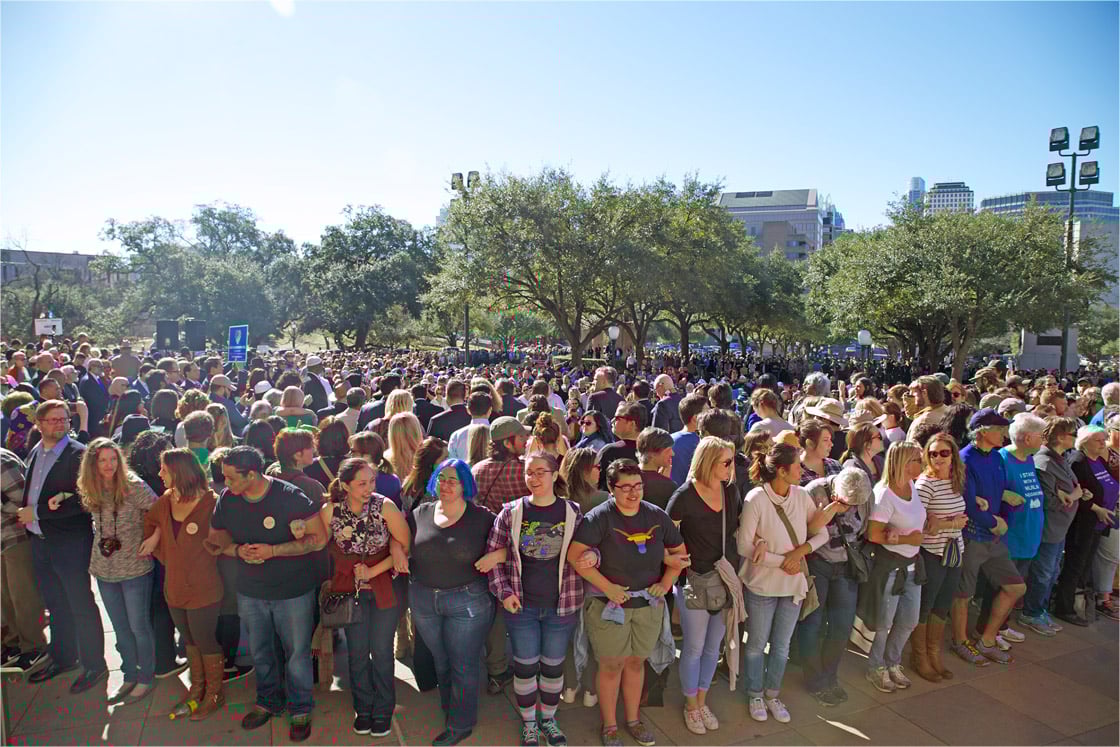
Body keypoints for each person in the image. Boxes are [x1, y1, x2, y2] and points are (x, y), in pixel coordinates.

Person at [204, 445, 327, 742]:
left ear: (252, 474)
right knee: (260, 651)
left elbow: (319, 539)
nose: (226, 484)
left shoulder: (291, 497)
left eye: (232, 478)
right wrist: (238, 550)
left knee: (296, 654)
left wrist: (274, 551)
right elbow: (214, 541)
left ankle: (300, 708)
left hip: (293, 591)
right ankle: (268, 701)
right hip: (250, 591)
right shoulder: (228, 500)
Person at [567, 459, 687, 747]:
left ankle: (633, 720)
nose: (633, 493)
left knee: (636, 664)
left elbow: (680, 555)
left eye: (638, 486)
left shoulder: (656, 515)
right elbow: (575, 555)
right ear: (611, 489)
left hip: (648, 606)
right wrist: (607, 588)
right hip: (609, 608)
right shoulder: (599, 518)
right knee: (610, 666)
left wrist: (665, 582)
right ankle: (609, 726)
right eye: (625, 488)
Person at [486, 452, 586, 747]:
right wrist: (504, 593)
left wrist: (593, 555)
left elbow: (588, 550)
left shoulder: (572, 512)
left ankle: (549, 719)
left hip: (561, 606)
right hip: (522, 606)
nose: (534, 478)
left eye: (541, 472)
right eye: (530, 473)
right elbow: (493, 559)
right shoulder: (511, 512)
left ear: (555, 475)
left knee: (553, 667)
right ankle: (530, 722)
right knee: (526, 666)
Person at [406, 459, 504, 746]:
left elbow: (514, 547)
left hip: (468, 602)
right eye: (442, 478)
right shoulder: (420, 512)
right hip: (424, 599)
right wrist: (398, 551)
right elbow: (401, 540)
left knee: (462, 663)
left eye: (453, 480)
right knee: (442, 659)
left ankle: (461, 724)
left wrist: (495, 557)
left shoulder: (483, 517)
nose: (446, 485)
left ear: (465, 485)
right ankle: (452, 707)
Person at [19, 400, 108, 693]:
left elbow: (86, 502)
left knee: (80, 603)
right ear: (40, 424)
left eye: (63, 420)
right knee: (55, 604)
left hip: (69, 543)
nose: (59, 424)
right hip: (40, 542)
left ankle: (95, 665)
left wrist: (40, 512)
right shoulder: (36, 451)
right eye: (53, 420)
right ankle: (64, 657)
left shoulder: (78, 455)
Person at [738, 442, 828, 723]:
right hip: (762, 585)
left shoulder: (802, 496)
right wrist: (782, 562)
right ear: (781, 470)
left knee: (781, 645)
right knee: (756, 643)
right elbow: (743, 546)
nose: (802, 470)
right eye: (797, 466)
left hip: (792, 586)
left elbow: (822, 534)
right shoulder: (756, 499)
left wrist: (799, 553)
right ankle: (754, 692)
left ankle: (772, 693)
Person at [321, 458, 411, 738]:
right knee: (357, 652)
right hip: (350, 590)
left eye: (372, 481)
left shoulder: (384, 505)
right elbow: (321, 544)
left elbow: (405, 543)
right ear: (345, 485)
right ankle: (363, 708)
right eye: (362, 483)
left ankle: (383, 708)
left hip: (384, 584)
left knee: (382, 650)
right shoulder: (331, 511)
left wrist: (374, 568)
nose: (369, 488)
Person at [141, 448, 226, 719]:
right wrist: (156, 537)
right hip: (175, 586)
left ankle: (214, 692)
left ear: (179, 471)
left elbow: (224, 539)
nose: (159, 474)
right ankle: (196, 689)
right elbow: (153, 521)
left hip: (204, 586)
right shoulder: (166, 499)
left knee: (204, 638)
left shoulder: (212, 502)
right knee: (188, 639)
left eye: (164, 469)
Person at [666, 437, 744, 735]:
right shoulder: (683, 495)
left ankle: (701, 699)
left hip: (722, 579)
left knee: (713, 647)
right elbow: (667, 537)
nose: (730, 467)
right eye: (726, 462)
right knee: (695, 647)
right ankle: (690, 706)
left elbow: (735, 530)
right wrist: (677, 559)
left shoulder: (730, 491)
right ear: (709, 462)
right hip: (693, 582)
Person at [77, 438, 159, 704]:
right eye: (102, 460)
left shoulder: (133, 485)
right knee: (120, 627)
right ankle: (128, 675)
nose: (109, 465)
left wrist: (154, 539)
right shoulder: (91, 486)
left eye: (113, 459)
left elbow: (160, 511)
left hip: (134, 566)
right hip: (104, 568)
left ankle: (146, 677)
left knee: (138, 627)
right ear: (93, 464)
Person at [951, 409, 1024, 666]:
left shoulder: (994, 456)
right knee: (963, 595)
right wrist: (994, 522)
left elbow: (993, 489)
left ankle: (987, 639)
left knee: (1016, 586)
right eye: (999, 428)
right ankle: (960, 642)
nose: (1004, 433)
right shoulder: (964, 459)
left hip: (994, 538)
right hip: (973, 536)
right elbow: (967, 502)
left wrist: (1004, 498)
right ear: (982, 431)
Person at [798, 467, 871, 706]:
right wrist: (831, 510)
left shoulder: (864, 498)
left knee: (841, 626)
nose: (852, 508)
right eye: (849, 503)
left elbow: (863, 530)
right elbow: (806, 530)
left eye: (856, 504)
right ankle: (814, 680)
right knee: (812, 623)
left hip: (846, 567)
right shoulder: (813, 491)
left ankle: (830, 676)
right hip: (818, 564)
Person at [861, 441, 926, 693]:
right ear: (903, 463)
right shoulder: (884, 494)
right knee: (883, 622)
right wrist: (909, 539)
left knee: (909, 620)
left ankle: (893, 662)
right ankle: (876, 667)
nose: (921, 464)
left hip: (911, 566)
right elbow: (873, 534)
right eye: (917, 460)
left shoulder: (911, 486)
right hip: (890, 568)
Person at [912, 432, 968, 682]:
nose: (938, 458)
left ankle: (934, 654)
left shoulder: (956, 480)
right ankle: (920, 656)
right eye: (932, 453)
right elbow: (922, 524)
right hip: (932, 553)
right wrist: (953, 523)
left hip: (955, 553)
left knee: (943, 604)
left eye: (944, 453)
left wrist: (944, 522)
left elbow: (941, 520)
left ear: (953, 455)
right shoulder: (926, 484)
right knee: (926, 605)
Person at [1019, 416, 1080, 635]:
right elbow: (1049, 500)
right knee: (1042, 573)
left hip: (1059, 529)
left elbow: (1073, 487)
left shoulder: (1061, 459)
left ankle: (1040, 609)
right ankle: (1031, 613)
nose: (1075, 438)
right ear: (1062, 437)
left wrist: (1071, 494)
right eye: (1072, 434)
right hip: (1048, 530)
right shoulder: (1043, 462)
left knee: (1052, 572)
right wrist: (1074, 495)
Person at [1056, 425, 1118, 626]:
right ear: (1084, 442)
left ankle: (1079, 604)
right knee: (1075, 565)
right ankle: (1064, 608)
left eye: (1104, 439)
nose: (1103, 443)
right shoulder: (1078, 462)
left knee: (1084, 566)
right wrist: (1095, 507)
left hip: (1099, 524)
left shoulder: (1099, 460)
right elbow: (1075, 493)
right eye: (1098, 440)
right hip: (1083, 524)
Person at [0, 447, 47, 675]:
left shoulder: (2, 460)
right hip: (2, 540)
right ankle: (15, 644)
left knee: (23, 595)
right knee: (7, 597)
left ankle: (35, 646)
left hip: (16, 537)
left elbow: (24, 500)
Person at [595, 403, 644, 490]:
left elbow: (598, 482)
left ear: (632, 424)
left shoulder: (610, 451)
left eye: (617, 418)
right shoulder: (651, 449)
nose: (612, 420)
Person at [669, 393, 707, 486]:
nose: (711, 415)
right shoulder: (705, 443)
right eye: (707, 412)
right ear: (695, 418)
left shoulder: (668, 440)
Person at [559, 447, 610, 514]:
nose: (600, 470)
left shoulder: (557, 501)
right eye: (598, 466)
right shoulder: (605, 499)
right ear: (584, 471)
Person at [447, 391, 493, 462]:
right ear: (490, 410)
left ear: (468, 410)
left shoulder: (457, 435)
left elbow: (451, 462)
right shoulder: (497, 434)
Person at [797, 419, 841, 486]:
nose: (831, 444)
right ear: (810, 443)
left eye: (830, 439)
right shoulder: (795, 470)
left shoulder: (835, 465)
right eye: (825, 440)